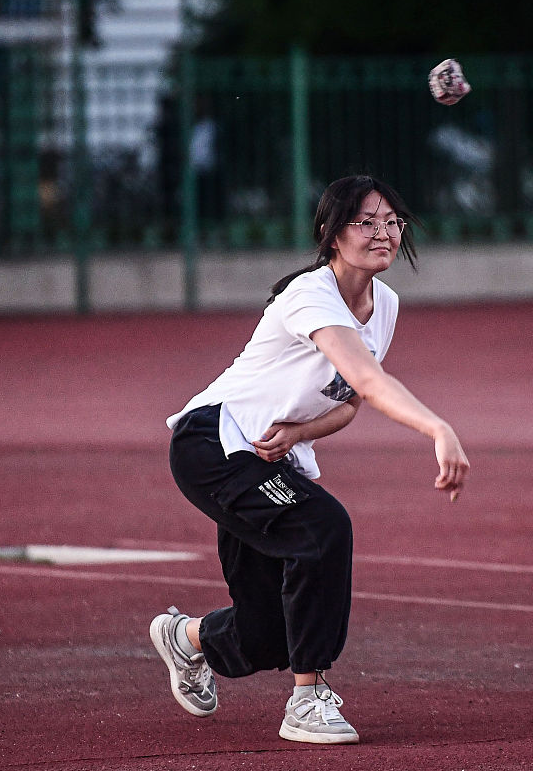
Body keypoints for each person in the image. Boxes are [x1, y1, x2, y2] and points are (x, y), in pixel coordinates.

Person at [150, 175, 470, 745]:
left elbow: (346, 402)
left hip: (269, 460)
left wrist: (300, 429)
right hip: (213, 444)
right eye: (365, 222)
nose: (384, 233)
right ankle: (307, 700)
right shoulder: (308, 294)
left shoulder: (385, 304)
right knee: (323, 528)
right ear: (330, 234)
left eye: (392, 221)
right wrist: (436, 427)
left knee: (270, 630)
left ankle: (189, 638)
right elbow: (369, 381)